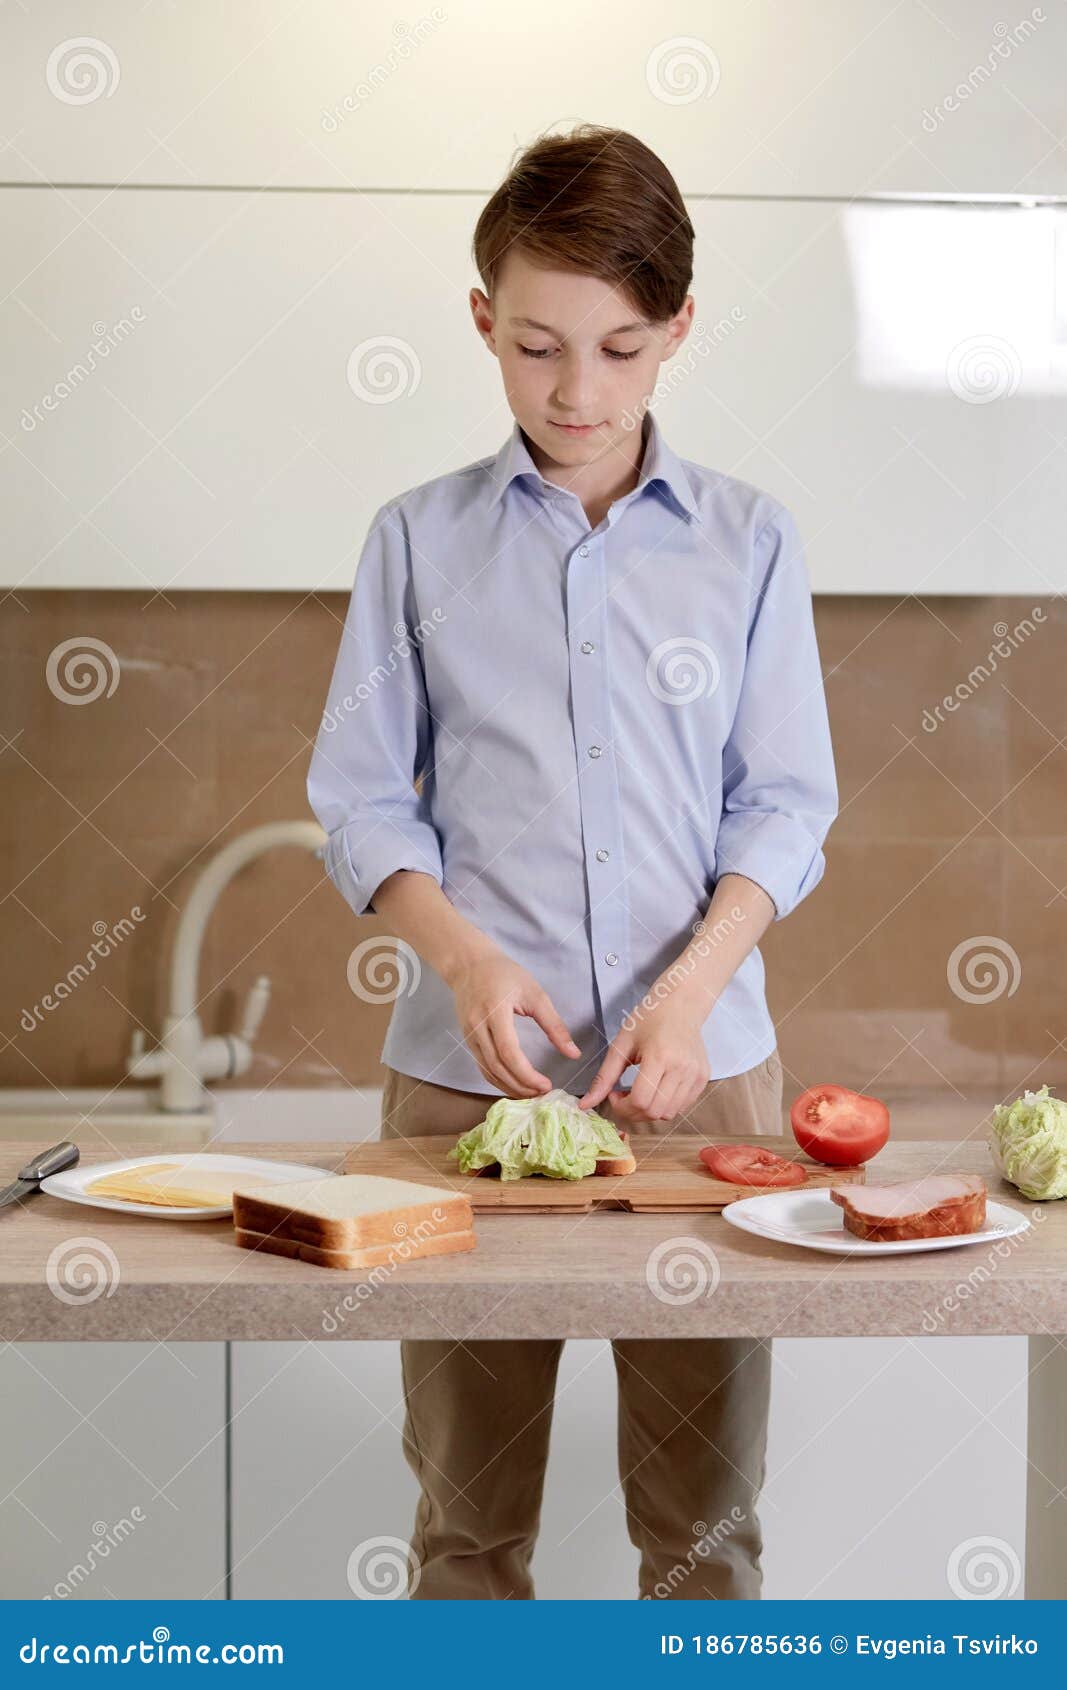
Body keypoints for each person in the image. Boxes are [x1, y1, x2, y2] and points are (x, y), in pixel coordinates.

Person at [307, 123, 838, 1600]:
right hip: (468, 1090)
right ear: (483, 322)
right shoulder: (416, 542)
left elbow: (786, 804)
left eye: (618, 347)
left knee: (703, 1533)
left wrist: (691, 991)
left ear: (678, 330)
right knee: (467, 1532)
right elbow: (361, 799)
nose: (576, 391)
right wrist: (466, 957)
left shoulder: (751, 542)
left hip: (707, 1079)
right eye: (537, 345)